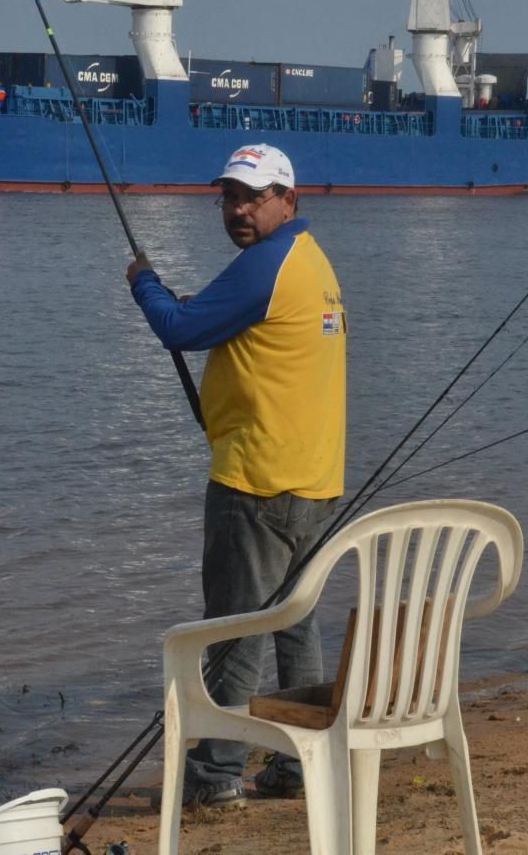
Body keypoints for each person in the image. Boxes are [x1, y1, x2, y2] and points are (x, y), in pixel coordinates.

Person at [127, 143, 347, 807]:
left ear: (289, 199)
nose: (239, 210)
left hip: (256, 483)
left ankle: (217, 776)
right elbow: (252, 326)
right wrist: (198, 309)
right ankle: (298, 764)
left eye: (253, 197)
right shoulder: (310, 262)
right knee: (295, 624)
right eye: (229, 197)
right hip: (314, 480)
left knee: (234, 628)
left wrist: (143, 279)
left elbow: (177, 329)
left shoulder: (266, 266)